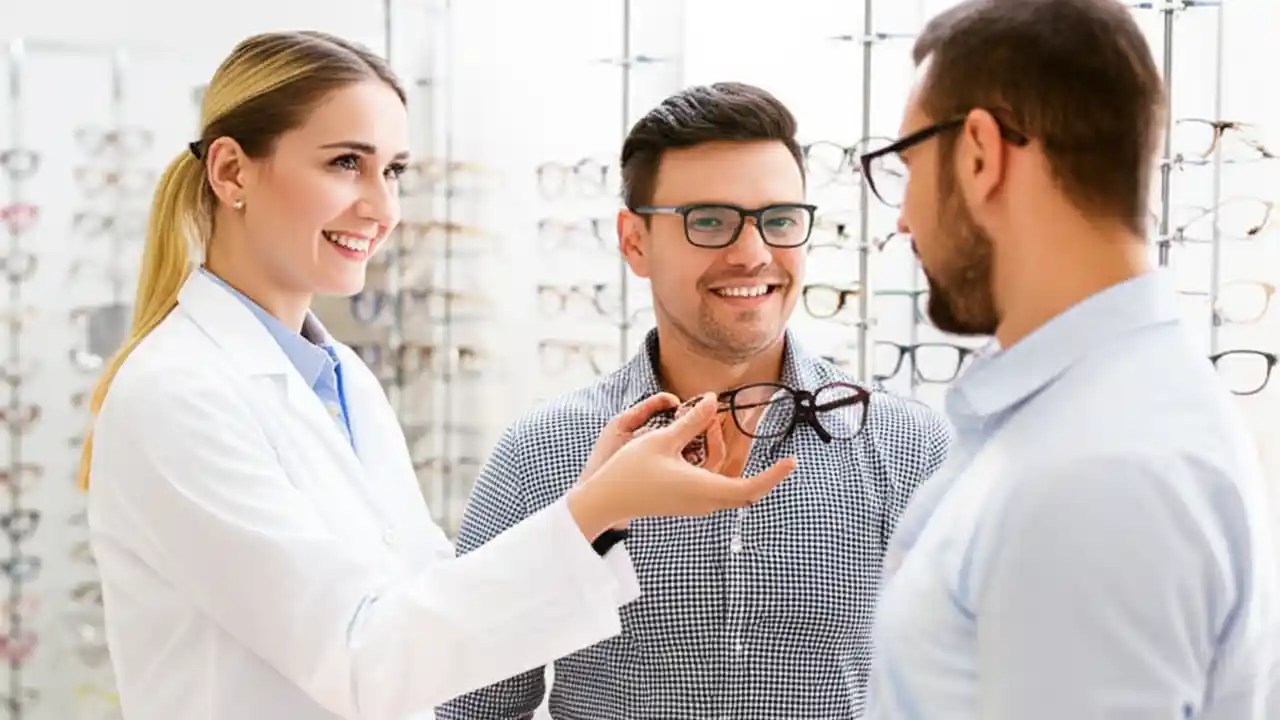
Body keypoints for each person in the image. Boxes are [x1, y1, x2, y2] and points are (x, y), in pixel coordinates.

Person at [77, 32, 797, 720]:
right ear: (232, 171)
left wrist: (599, 508)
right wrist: (591, 512)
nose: (383, 208)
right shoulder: (176, 395)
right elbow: (361, 660)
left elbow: (428, 612)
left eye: (392, 171)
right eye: (345, 163)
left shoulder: (341, 379)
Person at [438, 82, 953, 720]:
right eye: (709, 221)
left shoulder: (909, 448)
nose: (753, 255)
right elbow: (473, 707)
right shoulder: (540, 454)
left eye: (779, 220)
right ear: (634, 242)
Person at [860, 1, 1280, 718]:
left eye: (906, 166)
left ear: (980, 153)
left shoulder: (1097, 472)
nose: (902, 218)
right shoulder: (1097, 416)